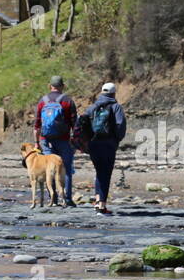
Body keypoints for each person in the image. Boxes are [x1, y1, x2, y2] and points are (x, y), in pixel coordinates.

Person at [80, 82, 126, 215]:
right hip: (108, 144)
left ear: (101, 92)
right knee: (106, 173)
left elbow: (82, 122)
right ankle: (102, 205)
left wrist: (85, 142)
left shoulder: (92, 107)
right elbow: (120, 125)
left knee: (99, 172)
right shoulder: (115, 106)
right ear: (114, 93)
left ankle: (97, 200)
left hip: (93, 144)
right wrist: (116, 139)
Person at [34, 75, 78, 207]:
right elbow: (75, 124)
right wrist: (75, 141)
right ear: (62, 86)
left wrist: (36, 142)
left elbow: (37, 125)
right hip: (64, 140)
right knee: (67, 168)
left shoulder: (43, 101)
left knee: (50, 169)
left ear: (50, 86)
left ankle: (53, 199)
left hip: (46, 140)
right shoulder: (67, 101)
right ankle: (68, 198)